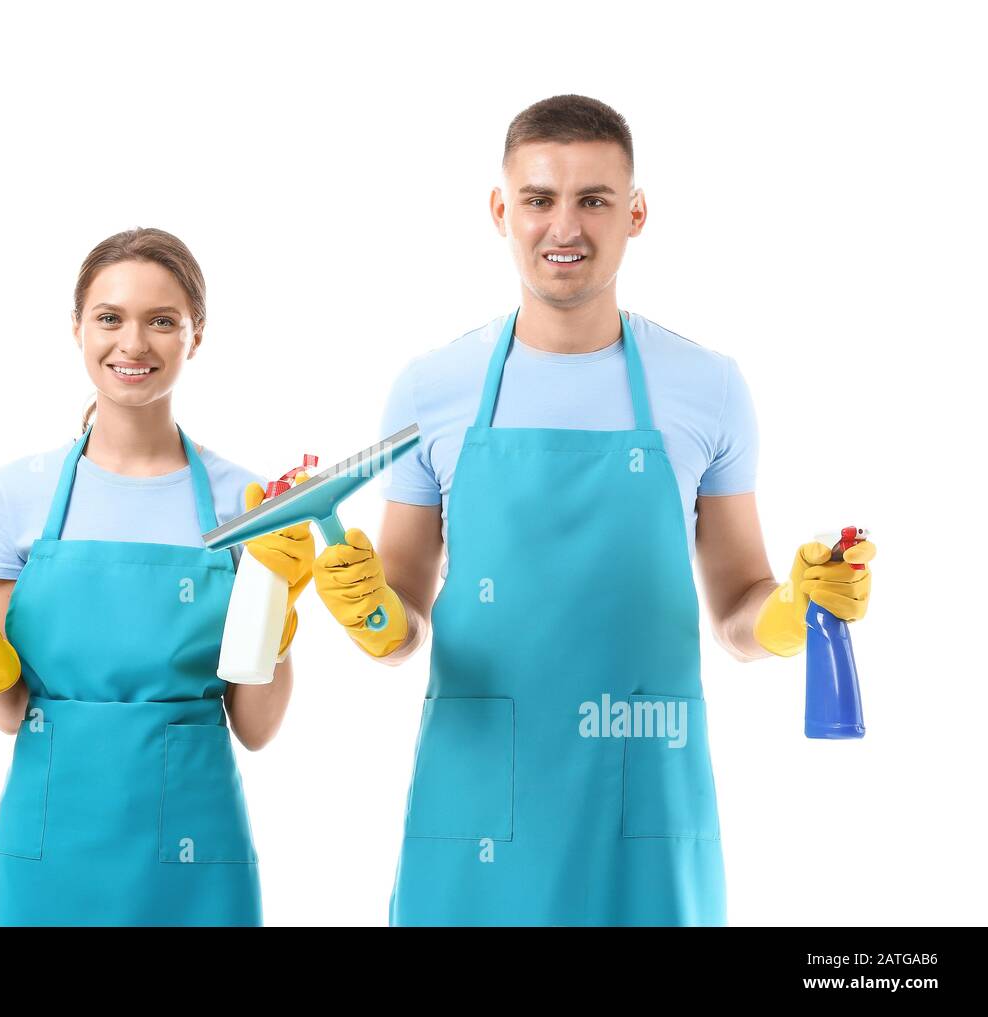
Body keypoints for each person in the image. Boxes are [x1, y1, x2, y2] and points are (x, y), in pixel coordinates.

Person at [310, 95, 877, 926]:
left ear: (636, 212)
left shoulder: (708, 387)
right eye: (539, 199)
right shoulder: (431, 390)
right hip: (477, 800)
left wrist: (795, 608)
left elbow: (738, 610)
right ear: (501, 210)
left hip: (642, 790)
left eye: (594, 200)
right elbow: (402, 620)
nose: (564, 226)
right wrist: (369, 611)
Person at [0, 227, 315, 926]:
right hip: (48, 854)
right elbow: (10, 712)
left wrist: (276, 616)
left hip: (194, 858)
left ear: (196, 335)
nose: (133, 344)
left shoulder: (247, 501)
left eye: (162, 321)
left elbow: (256, 728)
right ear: (77, 328)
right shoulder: (18, 494)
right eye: (110, 317)